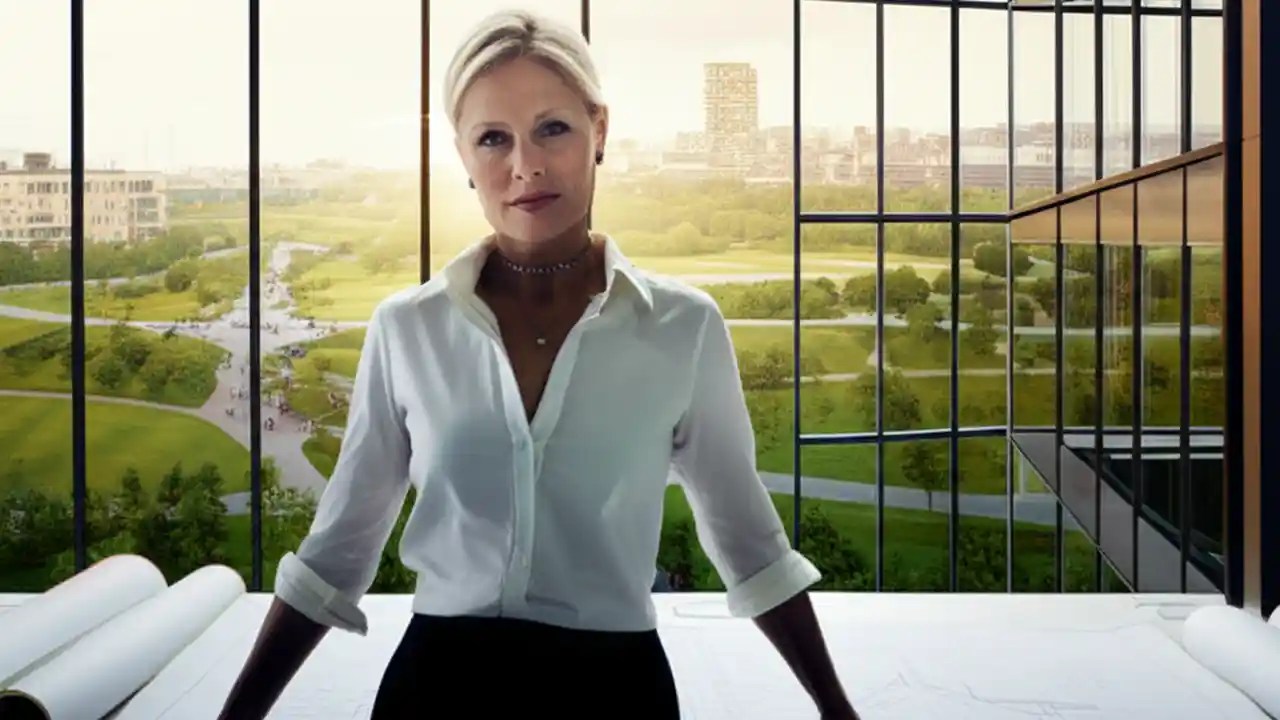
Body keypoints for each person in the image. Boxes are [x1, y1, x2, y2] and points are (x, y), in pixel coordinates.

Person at [217, 9, 859, 720]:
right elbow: (337, 552)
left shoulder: (685, 328)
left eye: (552, 127)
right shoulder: (407, 329)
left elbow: (751, 546)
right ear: (463, 157)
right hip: (436, 691)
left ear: (599, 131)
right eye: (493, 138)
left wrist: (837, 709)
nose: (525, 165)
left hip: (617, 691)